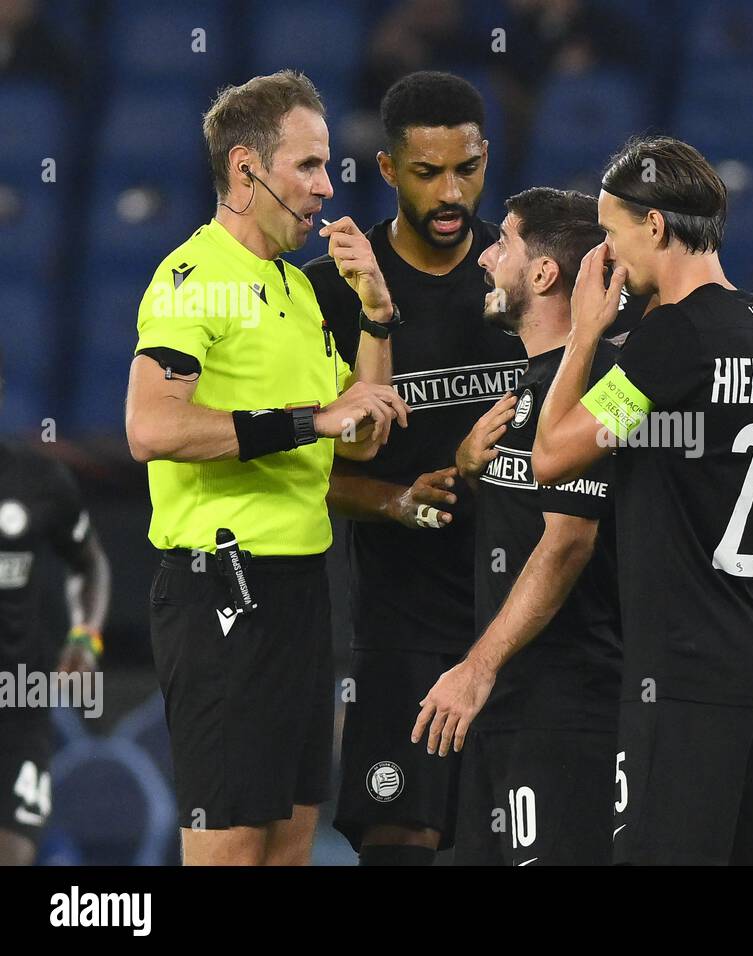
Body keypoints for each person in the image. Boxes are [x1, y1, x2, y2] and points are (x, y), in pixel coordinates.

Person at [125, 70, 407, 866]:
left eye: (326, 166)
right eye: (308, 166)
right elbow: (150, 426)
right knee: (232, 846)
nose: (327, 185)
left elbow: (361, 437)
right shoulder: (192, 279)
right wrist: (307, 421)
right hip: (221, 591)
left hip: (297, 589)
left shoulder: (296, 290)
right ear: (247, 170)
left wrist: (378, 313)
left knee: (289, 840)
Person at [531, 136, 753, 865]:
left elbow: (552, 456)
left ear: (654, 226)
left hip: (680, 675)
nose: (609, 258)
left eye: (612, 233)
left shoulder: (670, 339)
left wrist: (585, 331)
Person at [305, 70, 528, 866]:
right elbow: (301, 473)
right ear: (390, 171)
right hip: (401, 623)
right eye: (427, 173)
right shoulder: (333, 294)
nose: (450, 193)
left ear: (486, 159)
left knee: (514, 846)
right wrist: (397, 498)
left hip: (523, 619)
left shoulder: (524, 279)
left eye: (465, 170)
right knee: (400, 841)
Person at [411, 187, 621, 865]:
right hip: (509, 703)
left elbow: (568, 543)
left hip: (570, 709)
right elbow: (530, 519)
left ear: (543, 273)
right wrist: (469, 467)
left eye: (502, 241)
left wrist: (476, 668)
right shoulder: (529, 388)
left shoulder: (605, 385)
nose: (484, 258)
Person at [0, 352, 110, 866]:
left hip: (16, 709)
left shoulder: (38, 481)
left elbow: (89, 565)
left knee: (14, 854)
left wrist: (85, 636)